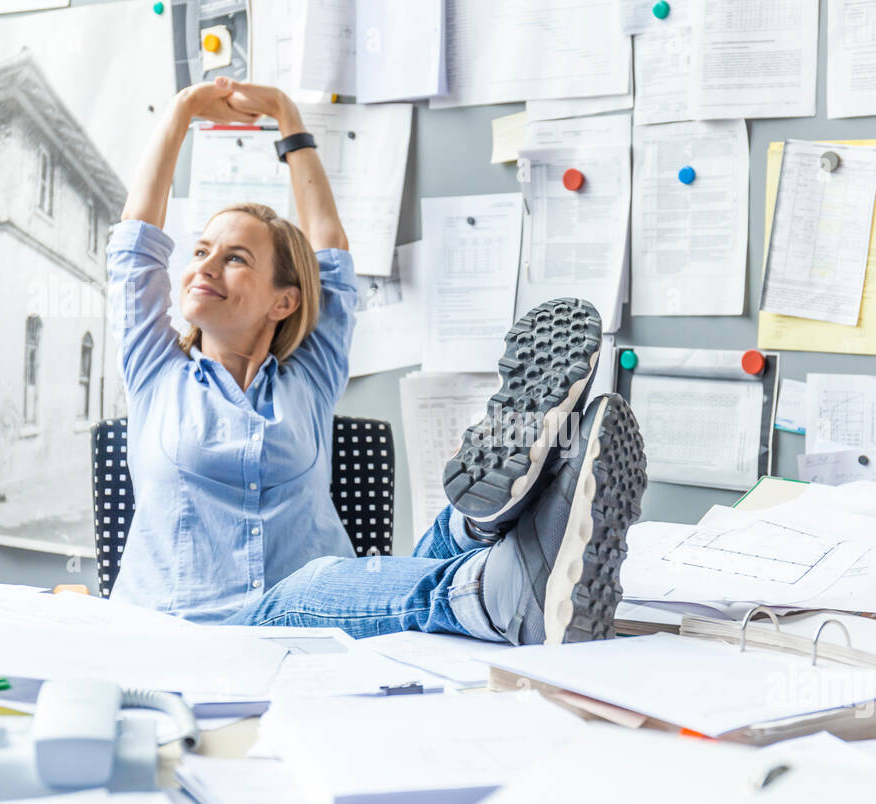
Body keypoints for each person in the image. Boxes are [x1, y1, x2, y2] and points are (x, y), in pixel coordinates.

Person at [107, 77, 647, 645]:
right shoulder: (154, 370)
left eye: (235, 257)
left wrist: (290, 118)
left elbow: (331, 258)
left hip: (320, 629)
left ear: (283, 301)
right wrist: (182, 111)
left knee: (369, 571)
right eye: (200, 251)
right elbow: (134, 245)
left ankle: (486, 533)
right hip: (194, 634)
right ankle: (498, 579)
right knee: (313, 586)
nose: (206, 265)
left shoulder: (306, 382)